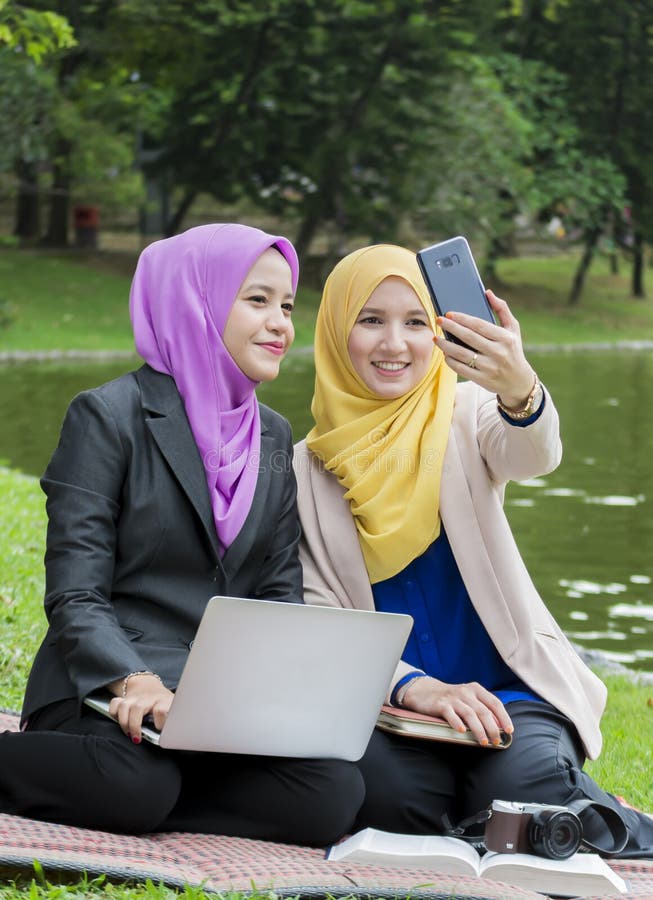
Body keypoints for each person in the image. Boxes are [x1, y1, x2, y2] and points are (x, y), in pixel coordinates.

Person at [0, 223, 363, 843]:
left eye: (286, 305)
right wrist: (136, 680)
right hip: (108, 689)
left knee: (333, 796)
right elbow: (74, 598)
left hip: (212, 705)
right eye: (256, 300)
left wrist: (272, 700)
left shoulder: (272, 437)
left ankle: (157, 794)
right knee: (134, 780)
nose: (281, 323)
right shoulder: (108, 416)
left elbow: (277, 595)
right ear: (196, 300)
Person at [294, 243, 653, 857]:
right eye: (371, 321)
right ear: (335, 329)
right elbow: (319, 608)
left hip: (511, 687)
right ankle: (541, 809)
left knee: (524, 786)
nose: (395, 344)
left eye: (415, 322)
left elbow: (531, 453)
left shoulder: (464, 411)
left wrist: (520, 386)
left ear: (439, 331)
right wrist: (412, 688)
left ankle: (557, 802)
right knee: (383, 800)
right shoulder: (304, 467)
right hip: (395, 705)